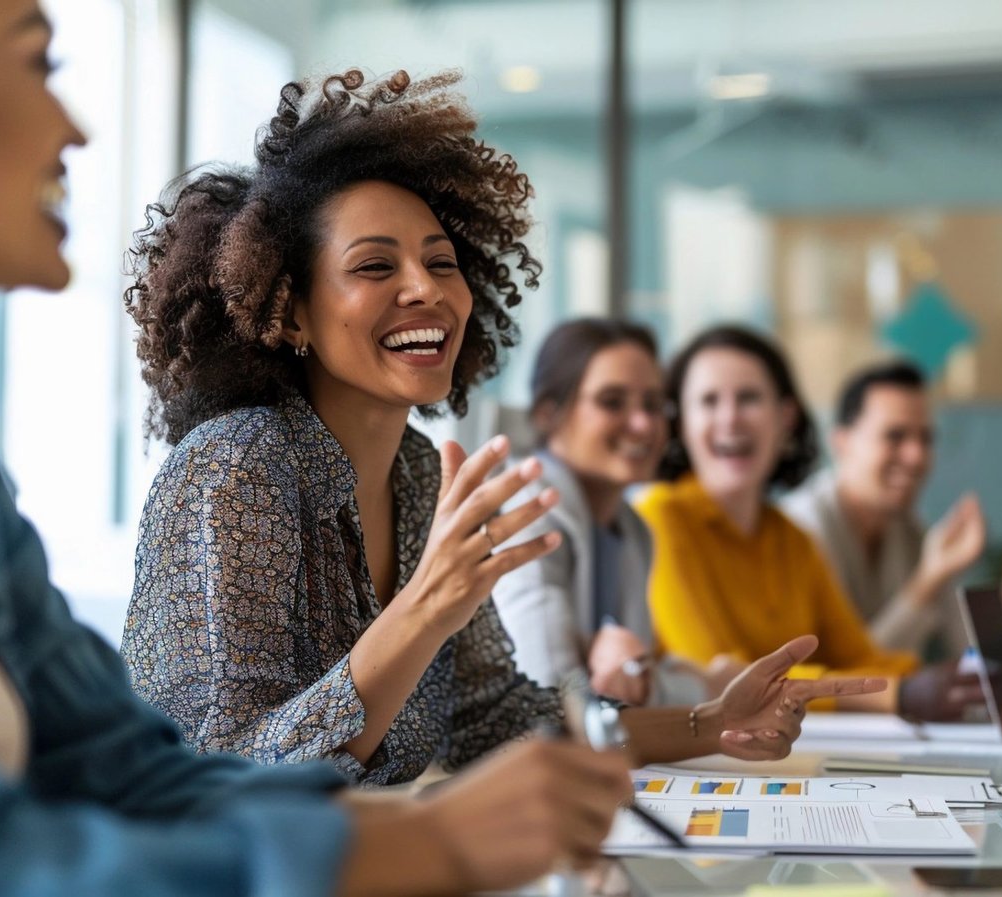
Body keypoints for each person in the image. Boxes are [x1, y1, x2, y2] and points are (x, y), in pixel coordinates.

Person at [0, 2, 636, 894]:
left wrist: (437, 828)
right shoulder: (241, 461)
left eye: (440, 263)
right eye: (36, 63)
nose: (75, 128)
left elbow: (128, 768)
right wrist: (421, 848)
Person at [122, 70, 884, 786]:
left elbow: (500, 720)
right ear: (289, 310)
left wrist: (709, 722)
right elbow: (220, 778)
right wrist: (427, 606)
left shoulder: (422, 475)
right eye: (375, 267)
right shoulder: (234, 468)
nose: (426, 289)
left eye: (442, 262)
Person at [639, 325, 984, 720]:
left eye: (749, 398)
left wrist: (953, 683)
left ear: (785, 418)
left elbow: (859, 657)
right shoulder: (660, 520)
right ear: (681, 422)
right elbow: (724, 684)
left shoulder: (792, 539)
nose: (730, 418)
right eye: (708, 401)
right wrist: (896, 695)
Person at [493, 318, 730, 706]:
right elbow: (551, 697)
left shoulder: (632, 528)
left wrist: (643, 683)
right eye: (612, 402)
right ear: (547, 414)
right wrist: (704, 688)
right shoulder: (528, 509)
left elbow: (629, 680)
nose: (643, 424)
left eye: (654, 405)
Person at [783, 361, 1002, 659]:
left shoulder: (908, 529)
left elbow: (982, 655)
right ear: (841, 443)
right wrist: (928, 579)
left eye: (925, 438)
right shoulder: (800, 530)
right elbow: (835, 675)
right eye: (895, 436)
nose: (916, 456)